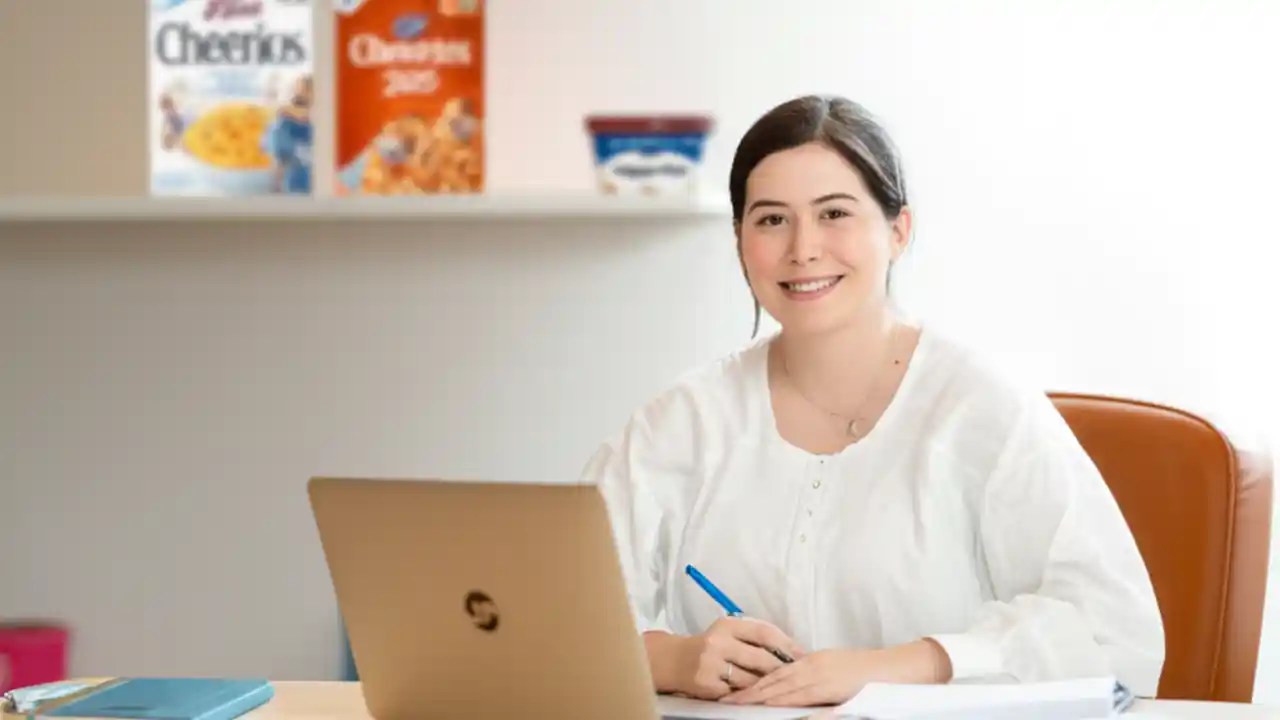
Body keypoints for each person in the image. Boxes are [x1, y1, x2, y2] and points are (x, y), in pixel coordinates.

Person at [579, 94, 1165, 708]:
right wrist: (674, 657)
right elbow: (557, 622)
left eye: (834, 213)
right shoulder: (680, 422)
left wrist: (905, 665)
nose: (803, 248)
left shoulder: (986, 410)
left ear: (897, 230)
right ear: (739, 240)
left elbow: (1115, 634)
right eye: (772, 219)